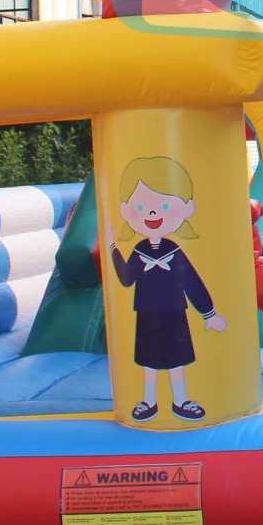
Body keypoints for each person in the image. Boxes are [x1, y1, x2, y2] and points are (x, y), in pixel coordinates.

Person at [110, 156, 226, 421]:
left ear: (185, 209)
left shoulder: (174, 250)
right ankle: (148, 401)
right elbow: (127, 279)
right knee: (148, 361)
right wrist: (114, 248)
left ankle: (181, 400)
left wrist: (209, 314)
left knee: (176, 360)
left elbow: (192, 282)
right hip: (147, 312)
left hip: (174, 312)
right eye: (142, 207)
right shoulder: (139, 250)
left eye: (164, 206)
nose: (152, 214)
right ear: (128, 211)